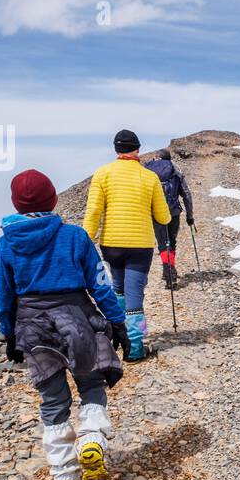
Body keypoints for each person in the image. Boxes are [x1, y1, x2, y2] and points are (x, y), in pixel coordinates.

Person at [0, 169, 129, 480]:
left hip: (32, 325)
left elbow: (4, 294)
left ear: (15, 203)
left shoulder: (6, 244)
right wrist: (118, 322)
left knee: (53, 402)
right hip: (77, 319)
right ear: (53, 199)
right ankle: (92, 441)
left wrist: (9, 333)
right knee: (91, 386)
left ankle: (65, 477)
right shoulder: (74, 237)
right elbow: (100, 283)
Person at [82, 130, 171, 360]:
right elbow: (163, 218)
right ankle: (135, 348)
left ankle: (116, 339)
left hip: (111, 243)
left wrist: (85, 241)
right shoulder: (149, 177)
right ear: (137, 149)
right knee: (134, 296)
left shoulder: (102, 174)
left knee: (118, 290)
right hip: (140, 245)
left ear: (116, 149)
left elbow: (93, 212)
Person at [144, 148, 194, 289]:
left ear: (156, 158)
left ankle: (168, 271)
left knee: (162, 243)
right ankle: (170, 269)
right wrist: (190, 216)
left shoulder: (147, 169)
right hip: (173, 212)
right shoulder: (175, 169)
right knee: (171, 242)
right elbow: (186, 194)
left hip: (155, 213)